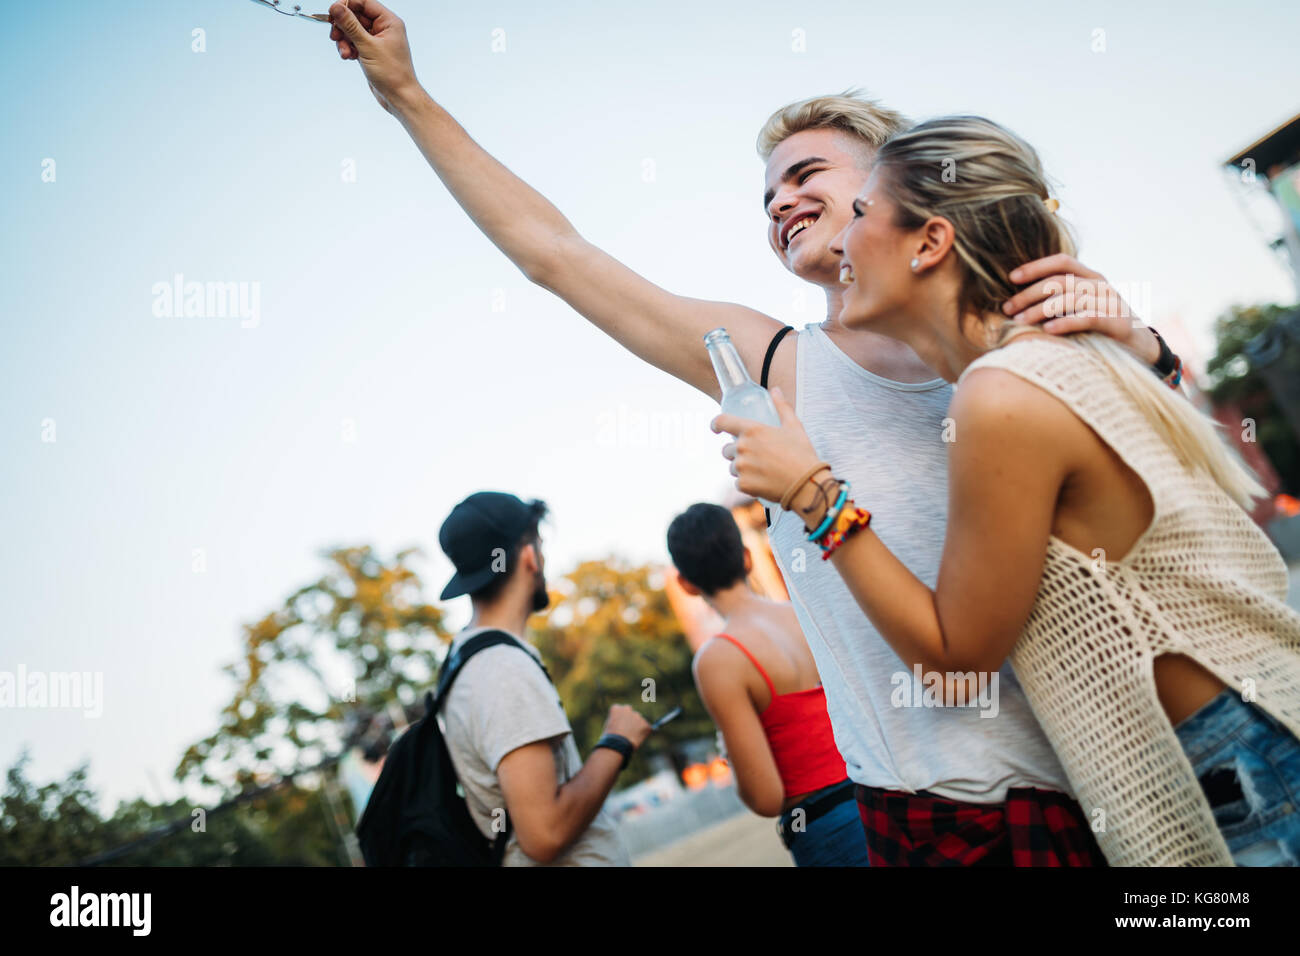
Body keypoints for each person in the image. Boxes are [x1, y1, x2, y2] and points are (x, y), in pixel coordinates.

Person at [324, 0, 1175, 864]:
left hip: (1090, 786)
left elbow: (1175, 495)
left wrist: (1149, 348)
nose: (780, 201)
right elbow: (556, 253)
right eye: (768, 194)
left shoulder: (1010, 341)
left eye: (806, 173)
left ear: (898, 185)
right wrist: (406, 95)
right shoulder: (777, 366)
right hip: (905, 815)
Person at [715, 115, 1300, 866]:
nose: (843, 243)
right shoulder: (1047, 364)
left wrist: (812, 494)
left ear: (929, 243)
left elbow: (957, 666)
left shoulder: (1000, 395)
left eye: (860, 214)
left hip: (1237, 776)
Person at [436, 491, 652, 866]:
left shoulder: (466, 662)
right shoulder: (502, 671)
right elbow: (544, 833)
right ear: (528, 556)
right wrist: (617, 743)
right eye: (540, 544)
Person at [668, 503, 870, 866]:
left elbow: (765, 796)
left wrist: (733, 759)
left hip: (827, 830)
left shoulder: (719, 660)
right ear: (746, 558)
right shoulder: (802, 612)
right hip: (880, 798)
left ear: (685, 583)